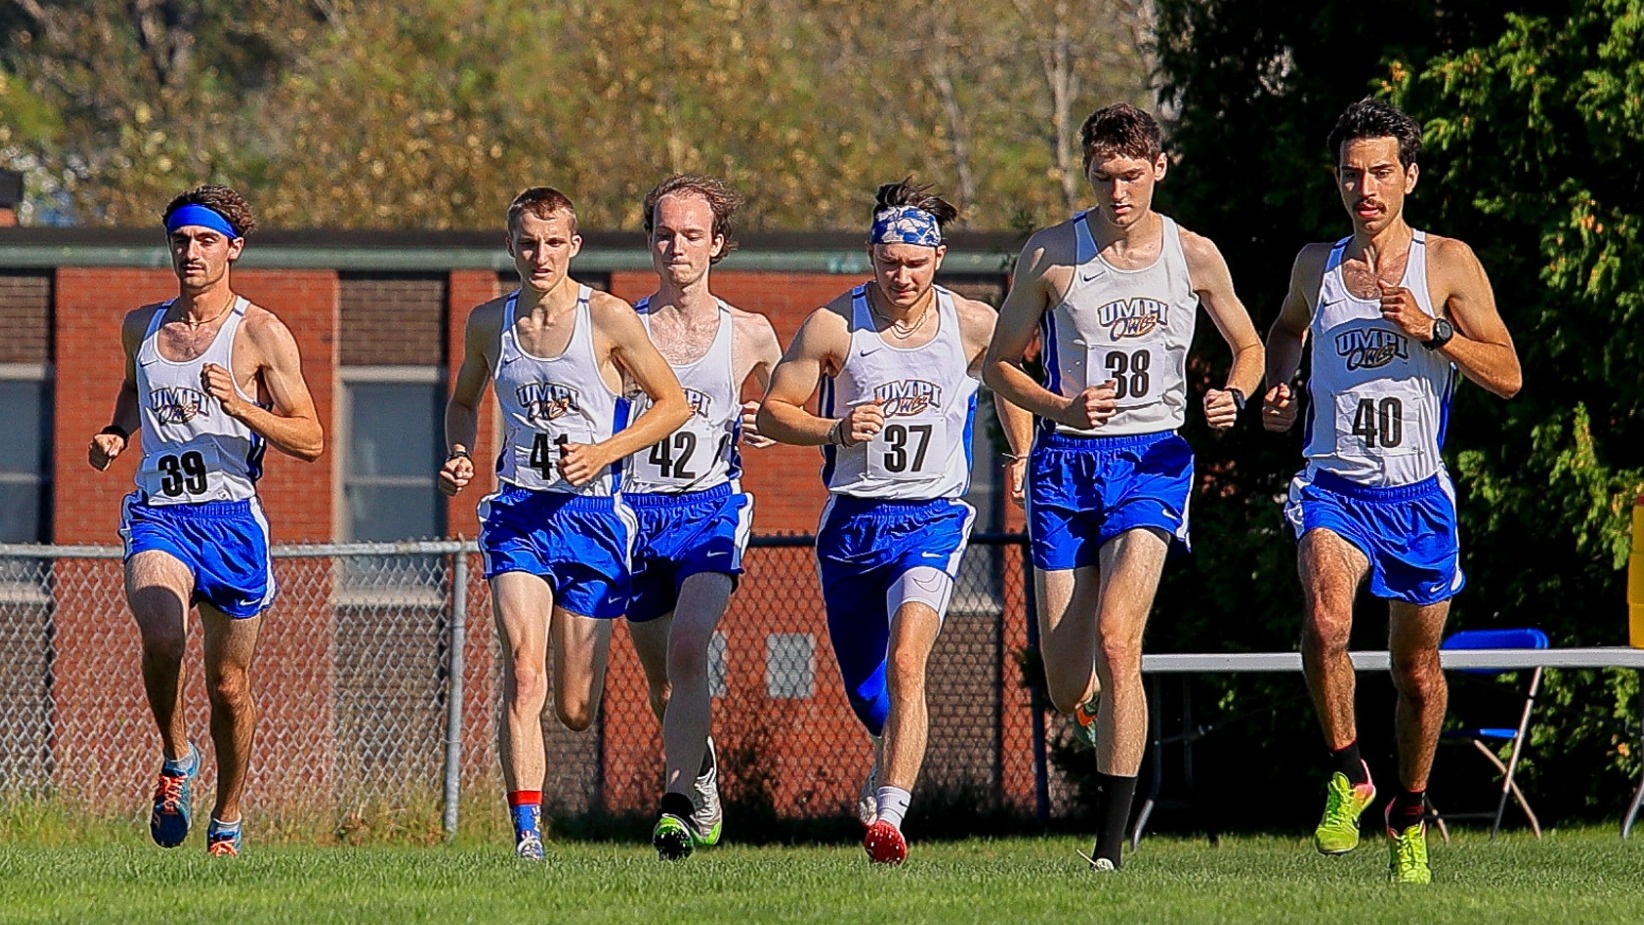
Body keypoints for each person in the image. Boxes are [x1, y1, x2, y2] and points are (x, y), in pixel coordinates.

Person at [983, 103, 1265, 871]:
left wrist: (1233, 395)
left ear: (1159, 168)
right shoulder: (1051, 254)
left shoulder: (1193, 254)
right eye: (1104, 178)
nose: (1118, 193)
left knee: (1118, 636)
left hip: (1152, 460)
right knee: (1066, 676)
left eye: (1132, 176)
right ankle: (1094, 700)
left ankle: (1107, 850)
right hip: (1066, 462)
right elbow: (999, 363)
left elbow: (1249, 346)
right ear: (1088, 175)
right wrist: (1057, 407)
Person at [1262, 98, 1521, 884]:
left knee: (1417, 672)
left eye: (1380, 172)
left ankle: (1408, 809)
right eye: (1351, 173)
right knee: (1325, 621)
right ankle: (1350, 772)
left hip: (1416, 498)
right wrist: (1279, 383)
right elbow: (1283, 330)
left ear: (1408, 176)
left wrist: (1434, 330)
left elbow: (1509, 374)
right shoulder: (1316, 264)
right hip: (1334, 486)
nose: (1364, 188)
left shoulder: (1445, 262)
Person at [758, 178, 1031, 865]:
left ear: (937, 258)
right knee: (867, 686)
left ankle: (890, 813)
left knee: (909, 660)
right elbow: (771, 412)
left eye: (914, 262)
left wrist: (1022, 450)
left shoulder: (971, 321)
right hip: (853, 524)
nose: (900, 275)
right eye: (888, 262)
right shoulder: (834, 326)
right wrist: (836, 426)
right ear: (871, 258)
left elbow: (1010, 380)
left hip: (932, 518)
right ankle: (890, 754)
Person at [439, 187, 690, 860]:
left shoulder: (607, 319)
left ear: (574, 246)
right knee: (525, 672)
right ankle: (527, 834)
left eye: (553, 243)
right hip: (519, 511)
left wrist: (604, 452)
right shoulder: (489, 323)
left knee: (577, 707)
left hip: (593, 518)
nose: (540, 255)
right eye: (527, 242)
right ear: (510, 244)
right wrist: (460, 452)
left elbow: (672, 405)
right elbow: (462, 401)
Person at [88, 185, 325, 856]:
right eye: (181, 240)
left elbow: (309, 438)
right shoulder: (143, 325)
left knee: (228, 685)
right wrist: (116, 430)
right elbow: (136, 388)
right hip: (159, 513)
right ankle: (175, 756)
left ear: (233, 249)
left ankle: (227, 815)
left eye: (205, 241)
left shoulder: (259, 333)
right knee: (163, 633)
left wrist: (242, 405)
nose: (190, 252)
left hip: (232, 523)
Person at [621, 175, 783, 860]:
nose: (676, 246)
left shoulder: (748, 332)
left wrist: (770, 423)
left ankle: (677, 804)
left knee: (691, 647)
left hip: (710, 507)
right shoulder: (622, 326)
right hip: (633, 516)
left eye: (691, 234)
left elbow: (790, 391)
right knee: (664, 679)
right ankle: (704, 769)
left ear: (717, 243)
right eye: (664, 233)